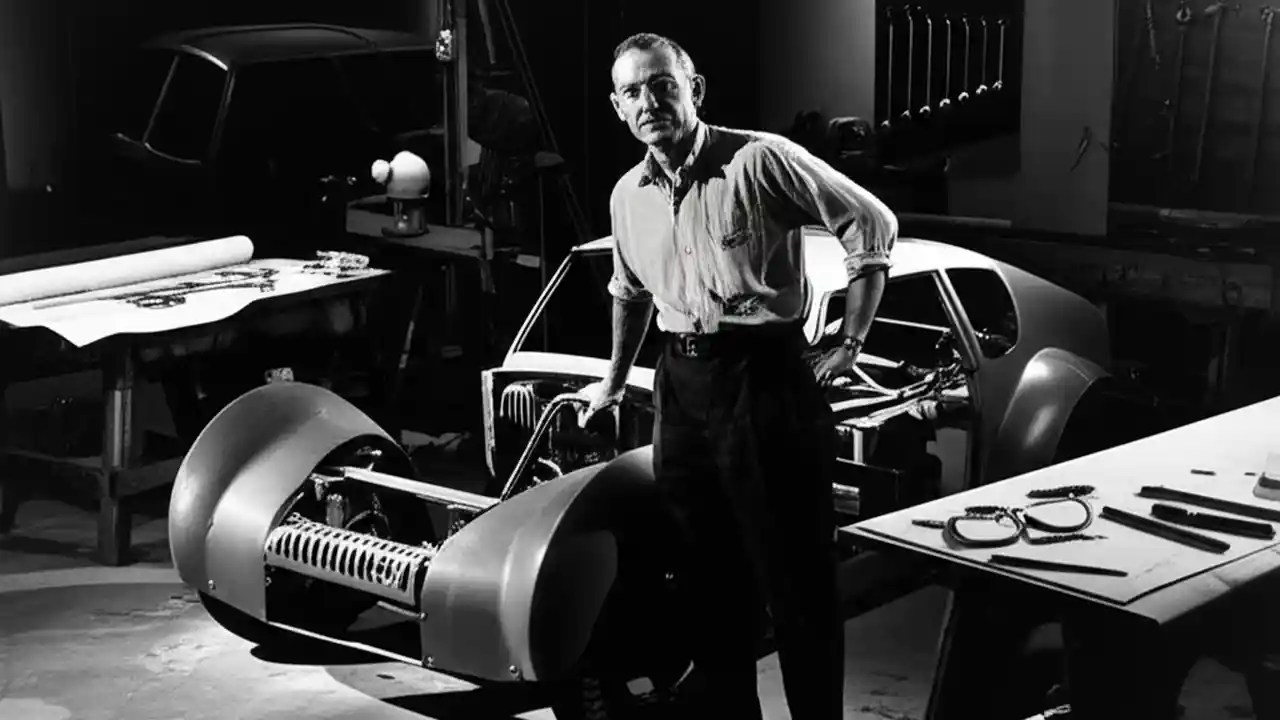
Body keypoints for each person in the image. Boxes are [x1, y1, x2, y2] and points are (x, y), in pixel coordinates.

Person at [576, 32, 898, 720]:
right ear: (616, 106)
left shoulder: (760, 160)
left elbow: (870, 221)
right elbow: (628, 295)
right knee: (706, 580)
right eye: (632, 91)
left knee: (797, 582)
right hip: (682, 390)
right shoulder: (625, 195)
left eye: (662, 84)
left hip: (765, 382)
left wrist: (852, 338)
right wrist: (610, 383)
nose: (649, 101)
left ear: (694, 88)